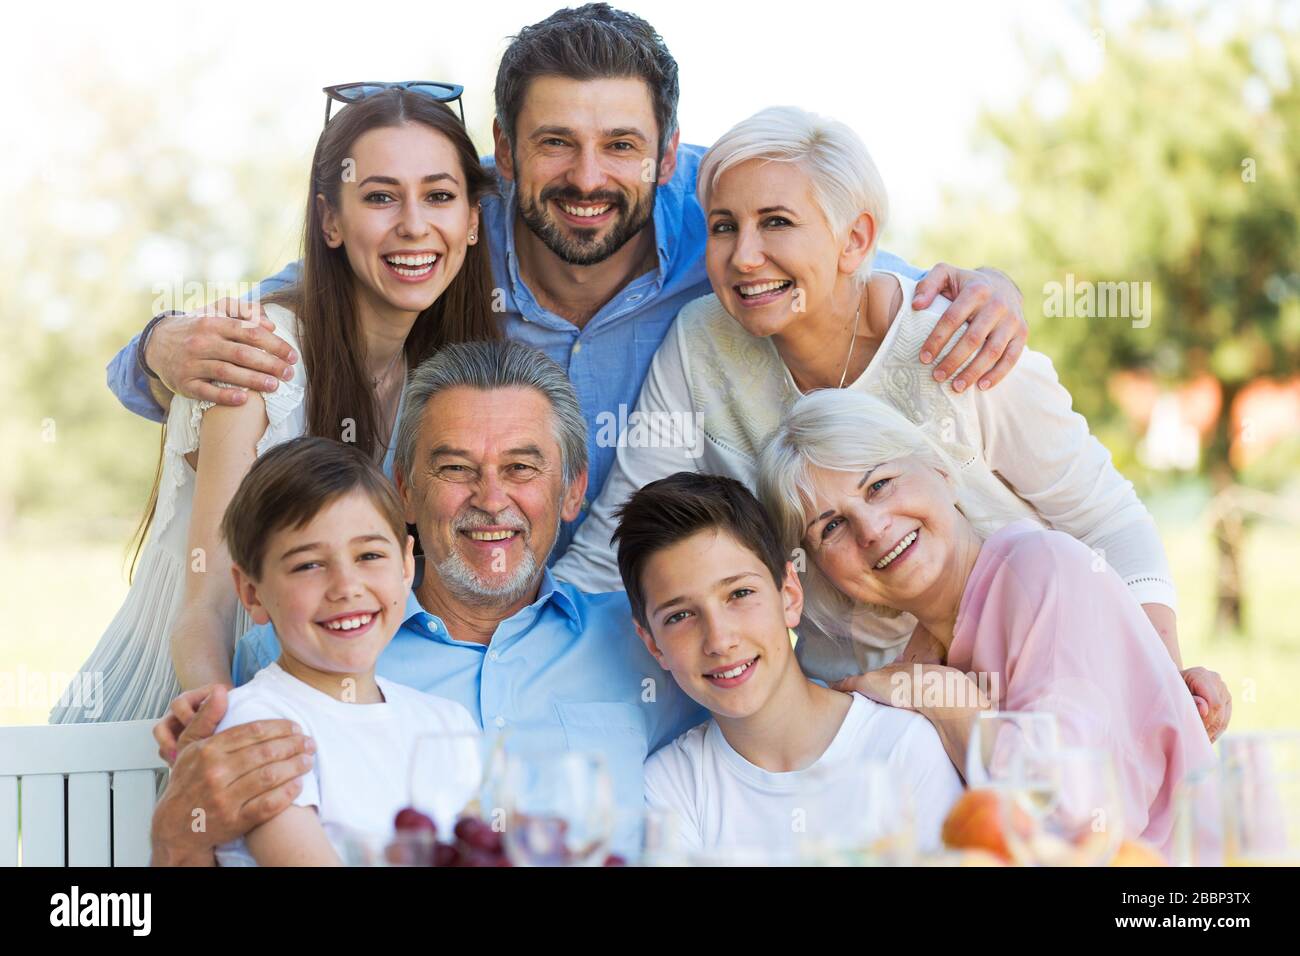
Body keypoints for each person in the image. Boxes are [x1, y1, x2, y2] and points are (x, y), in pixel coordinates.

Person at [103, 4, 1031, 559]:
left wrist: (994, 288)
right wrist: (156, 349)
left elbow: (858, 276)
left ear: (668, 154)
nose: (588, 178)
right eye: (556, 144)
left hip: (661, 626)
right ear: (503, 153)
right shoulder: (452, 235)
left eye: (621, 146)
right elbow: (308, 300)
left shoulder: (724, 228)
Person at [554, 105, 1230, 740]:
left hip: (1043, 684)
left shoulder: (962, 338)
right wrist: (513, 655)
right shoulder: (702, 343)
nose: (744, 256)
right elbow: (619, 536)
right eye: (725, 226)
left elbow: (1109, 520)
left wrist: (1160, 680)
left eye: (777, 222)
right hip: (864, 717)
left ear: (856, 240)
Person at [147, 341, 707, 865]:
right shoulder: (297, 651)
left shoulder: (648, 641)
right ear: (406, 490)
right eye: (456, 468)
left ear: (573, 490)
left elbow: (767, 723)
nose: (490, 500)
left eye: (520, 468)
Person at [50, 88, 498, 724]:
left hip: (312, 722)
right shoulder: (263, 357)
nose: (413, 223)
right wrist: (228, 723)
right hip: (171, 719)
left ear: (474, 220)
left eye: (439, 195)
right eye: (379, 196)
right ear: (330, 222)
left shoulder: (432, 372)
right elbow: (205, 606)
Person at [758, 389, 1219, 855]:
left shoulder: (1043, 571)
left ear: (939, 470)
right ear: (821, 572)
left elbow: (1064, 818)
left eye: (879, 485)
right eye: (831, 526)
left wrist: (942, 697)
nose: (872, 529)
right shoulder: (915, 659)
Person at [615, 472, 963, 861]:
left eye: (740, 594)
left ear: (790, 596)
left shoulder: (901, 746)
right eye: (680, 616)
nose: (719, 640)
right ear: (652, 644)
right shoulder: (670, 787)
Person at [209, 437, 477, 866]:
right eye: (308, 565)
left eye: (369, 554)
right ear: (252, 593)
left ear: (406, 565)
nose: (346, 586)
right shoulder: (260, 726)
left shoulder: (446, 722)